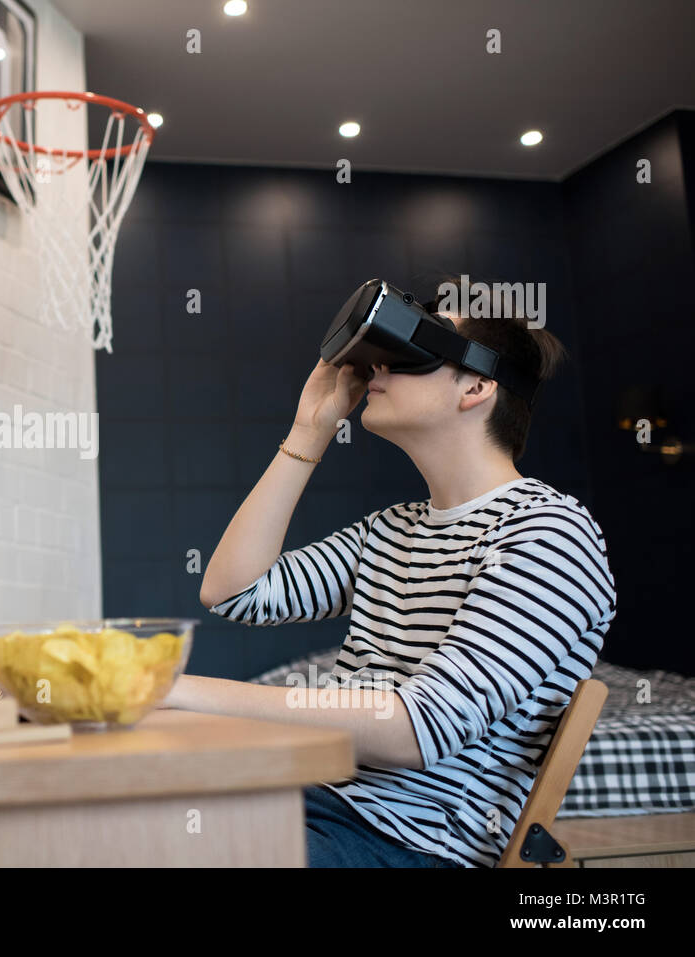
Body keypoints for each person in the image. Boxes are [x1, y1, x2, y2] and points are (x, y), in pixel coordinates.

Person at [167, 289, 617, 868]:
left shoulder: (548, 534)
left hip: (412, 842)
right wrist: (310, 430)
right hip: (315, 798)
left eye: (410, 352)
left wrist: (175, 693)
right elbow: (234, 593)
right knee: (97, 828)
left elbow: (418, 728)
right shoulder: (392, 529)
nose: (378, 365)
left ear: (477, 387)